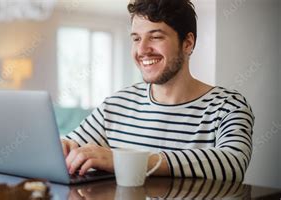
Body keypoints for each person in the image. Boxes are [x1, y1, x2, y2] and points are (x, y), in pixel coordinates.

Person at [61, 0, 254, 182]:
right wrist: (63, 148)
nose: (142, 49)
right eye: (136, 39)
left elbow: (232, 163)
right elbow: (71, 147)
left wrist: (125, 161)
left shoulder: (228, 106)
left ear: (188, 43)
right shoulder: (116, 105)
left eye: (156, 37)